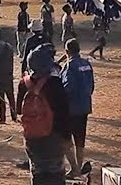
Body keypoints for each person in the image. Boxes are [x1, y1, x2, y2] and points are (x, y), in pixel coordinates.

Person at [18, 44, 71, 185]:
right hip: (53, 136)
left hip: (31, 137)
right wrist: (66, 138)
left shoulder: (23, 83)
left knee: (38, 173)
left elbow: (18, 110)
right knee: (55, 175)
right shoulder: (55, 83)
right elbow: (64, 113)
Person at [60, 38, 94, 178]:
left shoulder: (70, 66)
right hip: (84, 106)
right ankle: (79, 168)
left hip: (71, 108)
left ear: (67, 52)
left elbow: (68, 88)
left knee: (66, 140)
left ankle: (74, 168)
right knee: (80, 140)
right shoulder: (86, 64)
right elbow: (92, 85)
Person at [0, 28, 18, 124]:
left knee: (1, 99)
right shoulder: (9, 47)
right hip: (8, 76)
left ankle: (2, 118)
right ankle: (14, 116)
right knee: (11, 97)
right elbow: (11, 62)